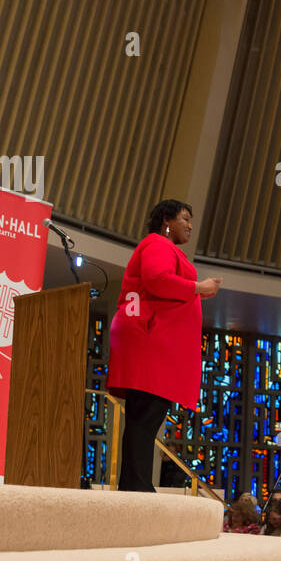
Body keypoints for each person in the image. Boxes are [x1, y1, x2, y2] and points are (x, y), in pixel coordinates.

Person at [107, 199, 221, 491]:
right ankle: (136, 486)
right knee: (144, 417)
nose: (191, 226)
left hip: (150, 343)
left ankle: (136, 484)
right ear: (166, 221)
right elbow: (157, 279)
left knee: (144, 417)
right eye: (185, 218)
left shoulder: (161, 246)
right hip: (148, 342)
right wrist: (200, 288)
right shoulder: (158, 244)